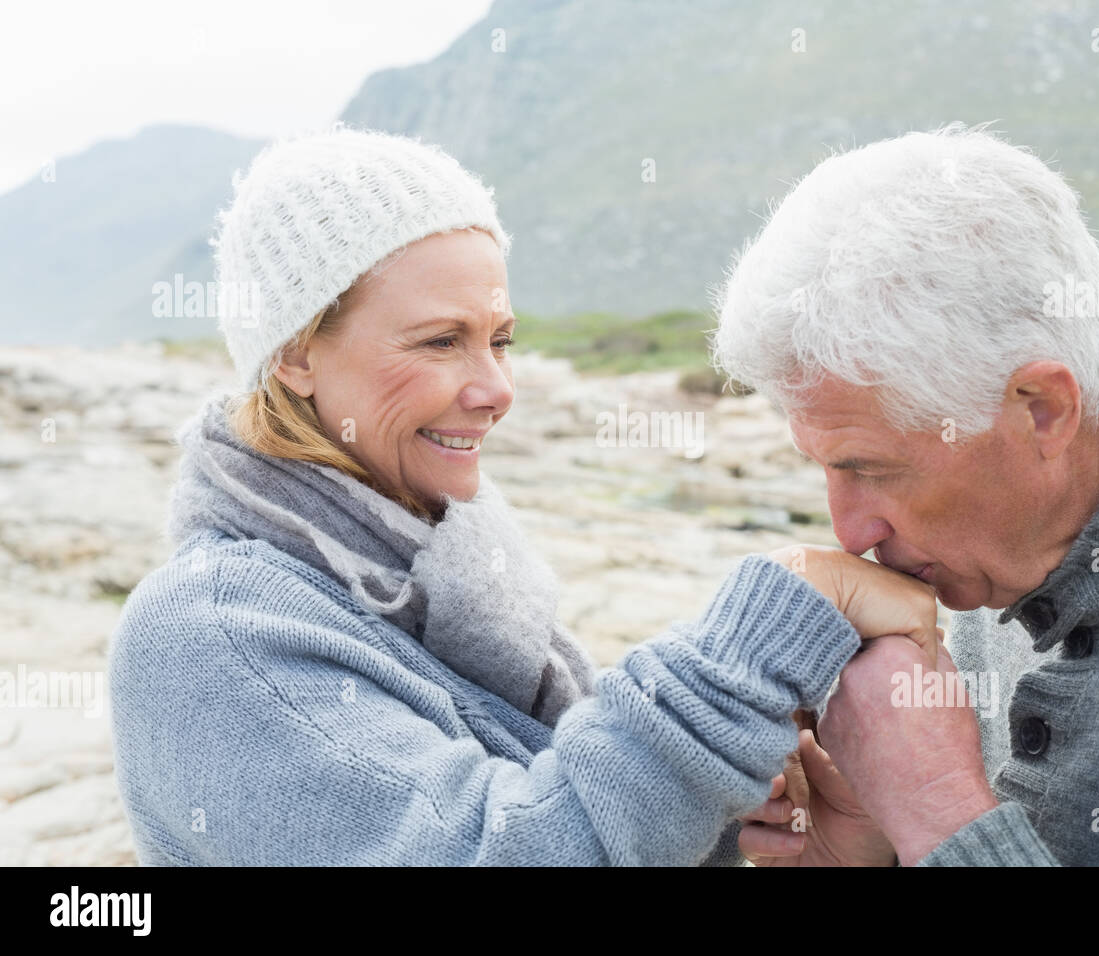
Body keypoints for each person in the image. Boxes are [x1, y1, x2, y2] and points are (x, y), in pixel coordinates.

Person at [106, 124, 941, 866]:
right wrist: (763, 634)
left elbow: (556, 801)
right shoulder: (212, 633)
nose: (497, 387)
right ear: (294, 354)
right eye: (442, 341)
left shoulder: (459, 568)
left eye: (500, 340)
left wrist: (752, 825)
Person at [717, 123, 1099, 866]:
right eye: (824, 467)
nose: (850, 532)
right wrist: (876, 855)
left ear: (1042, 409)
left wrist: (939, 815)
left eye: (873, 468)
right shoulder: (1014, 550)